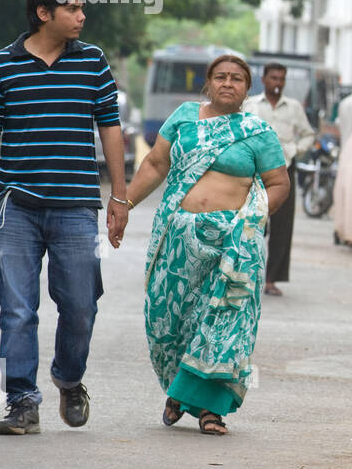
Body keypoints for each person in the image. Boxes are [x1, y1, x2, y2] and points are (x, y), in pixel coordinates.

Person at [0, 0, 129, 435]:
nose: (82, 15)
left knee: (81, 306)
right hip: (17, 206)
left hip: (76, 205)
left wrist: (120, 195)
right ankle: (22, 402)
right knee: (17, 309)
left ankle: (69, 378)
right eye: (73, 8)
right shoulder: (1, 65)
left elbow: (110, 127)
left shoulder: (92, 61)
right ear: (43, 13)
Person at [123, 54, 289, 435]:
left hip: (232, 243)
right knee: (170, 321)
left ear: (248, 88)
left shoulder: (257, 132)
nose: (228, 84)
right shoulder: (183, 117)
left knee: (220, 324)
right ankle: (178, 391)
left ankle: (210, 411)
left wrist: (252, 222)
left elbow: (279, 184)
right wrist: (125, 205)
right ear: (208, 84)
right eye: (220, 77)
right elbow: (154, 165)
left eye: (236, 79)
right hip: (178, 237)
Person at [242, 63, 314, 296]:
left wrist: (294, 151)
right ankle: (246, 274)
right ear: (264, 80)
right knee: (251, 222)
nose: (277, 83)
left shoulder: (293, 108)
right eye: (273, 78)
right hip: (254, 172)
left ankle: (271, 279)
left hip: (284, 171)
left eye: (281, 79)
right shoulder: (250, 105)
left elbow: (308, 134)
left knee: (283, 227)